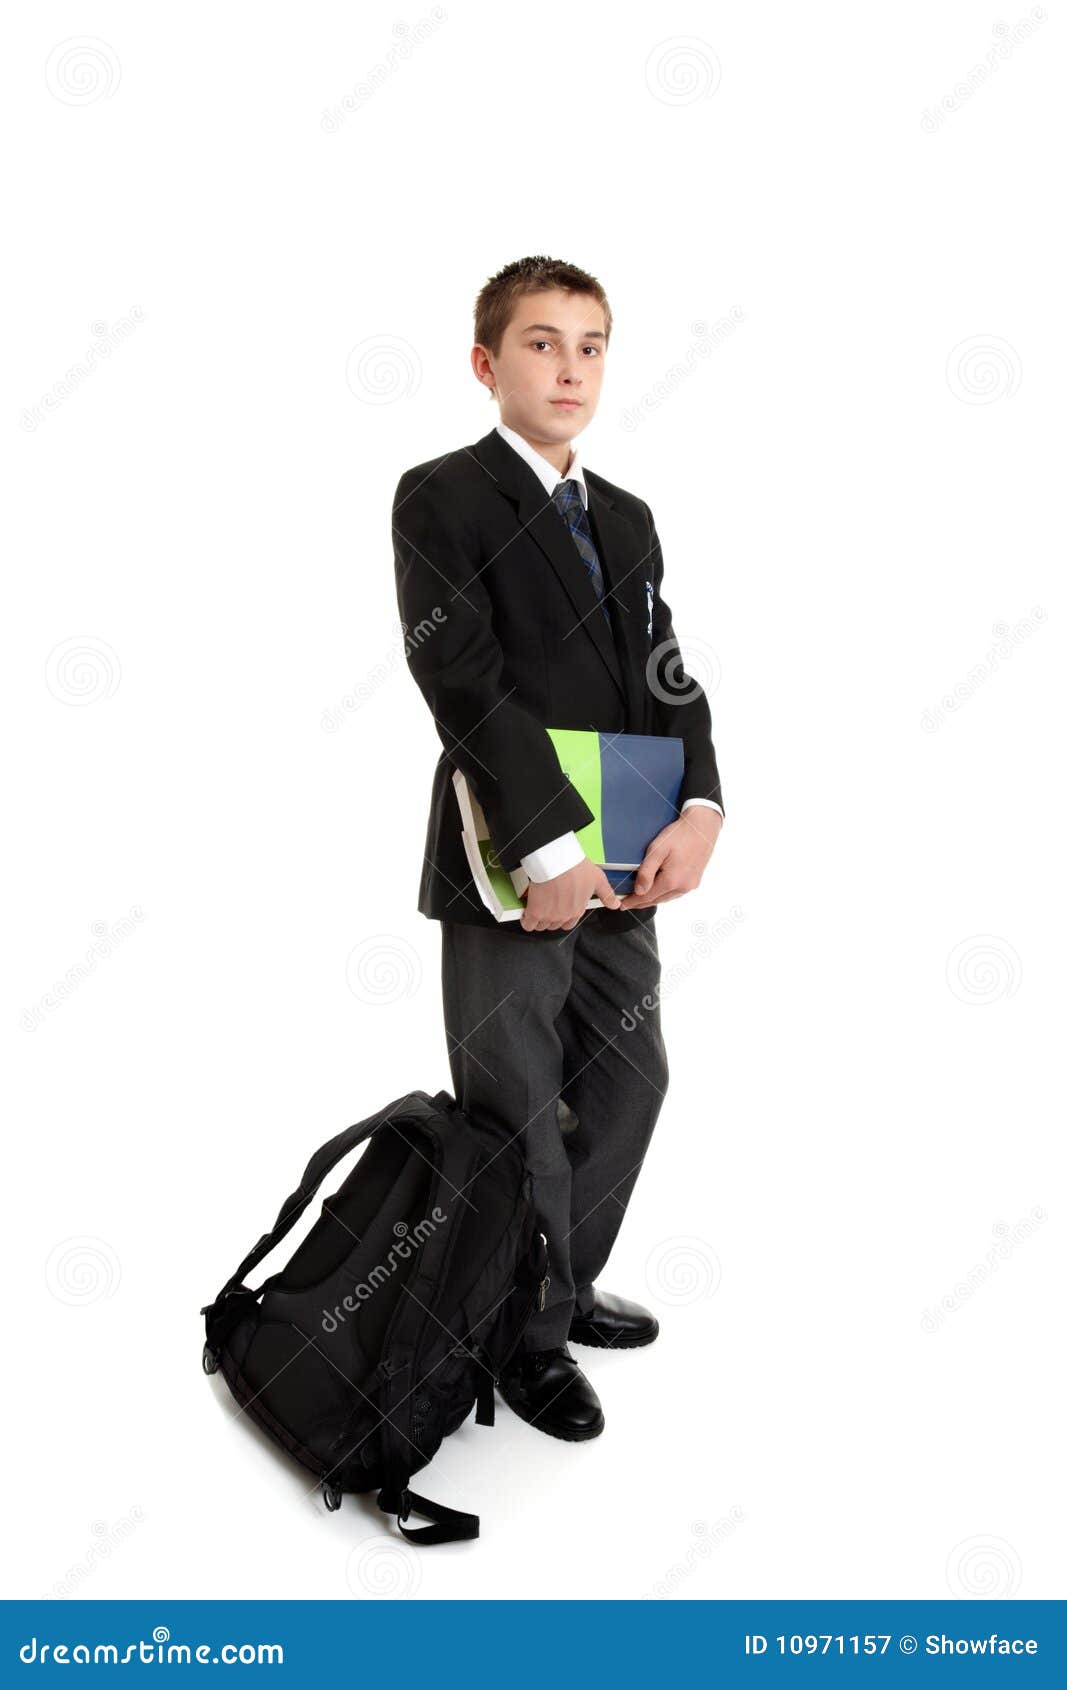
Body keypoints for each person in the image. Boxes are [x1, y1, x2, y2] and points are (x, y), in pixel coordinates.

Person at [391, 256, 724, 1440]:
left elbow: (664, 667)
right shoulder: (443, 495)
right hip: (512, 862)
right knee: (516, 1103)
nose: (568, 366)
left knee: (630, 1079)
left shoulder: (623, 517)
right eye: (541, 343)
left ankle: (554, 1282)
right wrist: (547, 849)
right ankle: (519, 1338)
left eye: (589, 343)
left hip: (628, 851)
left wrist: (699, 806)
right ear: (488, 364)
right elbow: (463, 683)